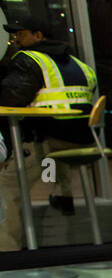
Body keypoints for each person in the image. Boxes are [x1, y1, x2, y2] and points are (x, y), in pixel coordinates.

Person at [0, 13, 97, 263]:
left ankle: (7, 253)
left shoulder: (28, 60)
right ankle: (62, 193)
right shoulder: (77, 63)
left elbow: (11, 98)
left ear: (38, 36)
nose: (15, 40)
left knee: (6, 186)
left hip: (49, 139)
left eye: (20, 34)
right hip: (84, 141)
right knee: (53, 154)